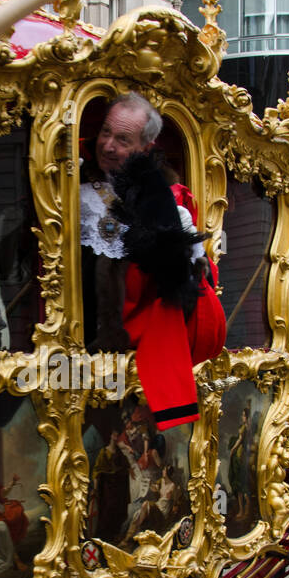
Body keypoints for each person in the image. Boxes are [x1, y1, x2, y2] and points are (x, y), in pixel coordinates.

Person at [79, 92, 225, 430]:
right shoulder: (75, 183)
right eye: (105, 133)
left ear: (145, 147)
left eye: (123, 140)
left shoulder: (165, 195)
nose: (108, 146)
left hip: (137, 330)